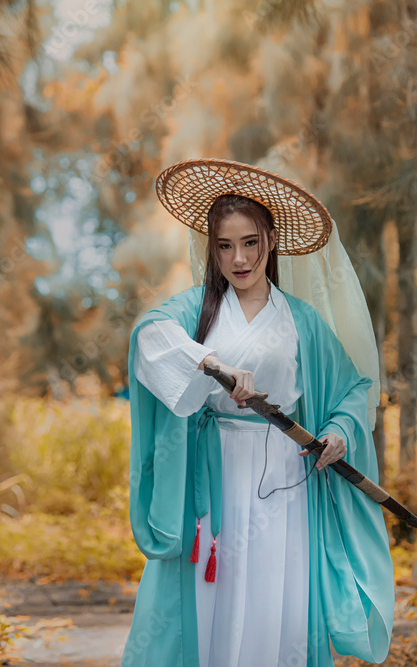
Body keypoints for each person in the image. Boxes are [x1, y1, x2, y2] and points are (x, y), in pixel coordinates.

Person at [122, 158, 394, 667]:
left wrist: (337, 431)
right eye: (225, 246)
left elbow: (355, 386)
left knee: (280, 600)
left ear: (270, 242)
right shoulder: (195, 309)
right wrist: (208, 360)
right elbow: (148, 338)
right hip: (214, 471)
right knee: (210, 601)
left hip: (285, 476)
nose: (239, 258)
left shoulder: (301, 321)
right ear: (212, 249)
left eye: (250, 242)